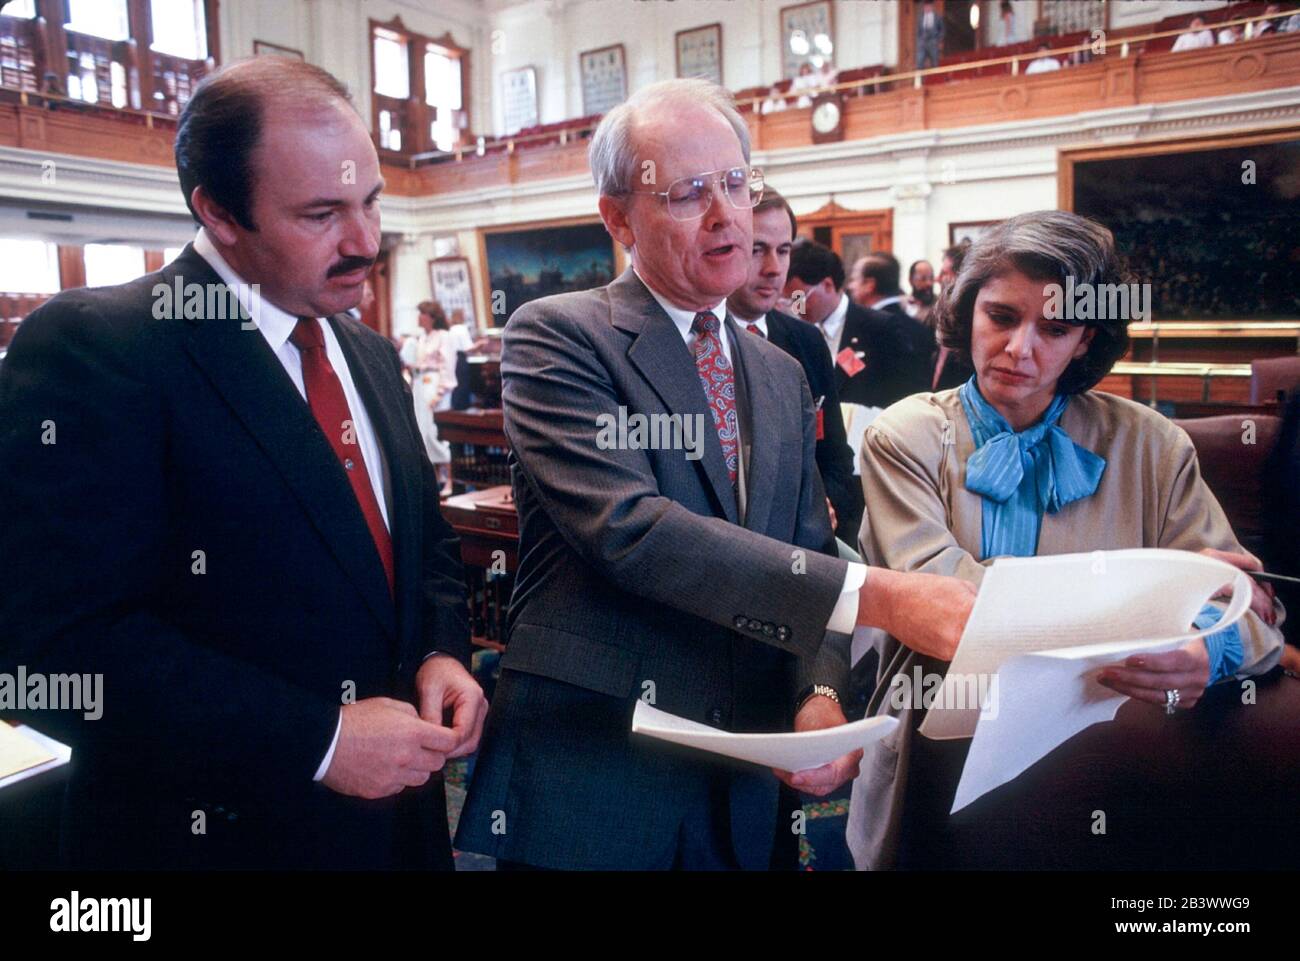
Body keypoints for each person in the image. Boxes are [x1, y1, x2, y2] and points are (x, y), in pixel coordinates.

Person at [454, 79, 974, 871]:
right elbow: (631, 530)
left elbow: (811, 546)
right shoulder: (559, 335)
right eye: (689, 192)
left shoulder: (777, 370)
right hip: (599, 771)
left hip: (744, 780)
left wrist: (821, 694)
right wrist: (884, 596)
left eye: (737, 183)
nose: (727, 212)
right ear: (618, 217)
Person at [0, 57, 485, 870]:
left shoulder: (367, 353)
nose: (366, 241)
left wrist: (440, 649)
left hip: (399, 834)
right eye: (322, 214)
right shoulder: (100, 346)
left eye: (371, 200)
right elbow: (48, 647)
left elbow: (422, 548)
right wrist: (321, 739)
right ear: (219, 212)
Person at [845, 210, 1286, 870]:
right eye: (1001, 316)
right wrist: (1153, 591)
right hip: (940, 742)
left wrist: (1207, 646)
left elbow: (1248, 612)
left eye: (1054, 328)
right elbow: (952, 614)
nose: (1021, 347)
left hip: (1114, 754)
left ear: (1086, 340)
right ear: (966, 311)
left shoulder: (1154, 444)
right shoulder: (903, 437)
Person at [727, 186, 863, 545]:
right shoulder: (698, 344)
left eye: (783, 250)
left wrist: (824, 504)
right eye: (757, 250)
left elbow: (834, 456)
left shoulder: (807, 340)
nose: (774, 270)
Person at [785, 240, 933, 410]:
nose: (796, 309)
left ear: (827, 285)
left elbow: (908, 394)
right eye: (790, 300)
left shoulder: (879, 328)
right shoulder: (798, 333)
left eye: (799, 299)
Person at [401, 300, 457, 492]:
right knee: (423, 432)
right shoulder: (421, 338)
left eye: (421, 313)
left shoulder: (443, 336)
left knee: (437, 432)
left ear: (430, 316)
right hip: (420, 384)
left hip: (434, 385)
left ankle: (450, 478)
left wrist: (441, 391)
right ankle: (433, 478)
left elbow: (447, 365)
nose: (418, 317)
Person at [851, 252, 910, 319]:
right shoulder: (910, 323)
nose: (850, 286)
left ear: (869, 284)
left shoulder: (873, 324)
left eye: (854, 279)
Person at [917, 0, 944, 71]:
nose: (926, 8)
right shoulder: (920, 18)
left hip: (933, 43)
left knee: (934, 62)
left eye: (928, 6)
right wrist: (920, 41)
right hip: (922, 44)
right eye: (925, 7)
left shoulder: (937, 17)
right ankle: (919, 81)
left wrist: (938, 40)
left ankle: (935, 79)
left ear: (932, 7)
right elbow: (919, 31)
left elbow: (942, 30)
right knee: (919, 63)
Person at [907, 259, 937, 324]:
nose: (929, 283)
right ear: (911, 280)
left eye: (931, 278)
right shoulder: (903, 307)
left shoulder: (940, 306)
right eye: (923, 279)